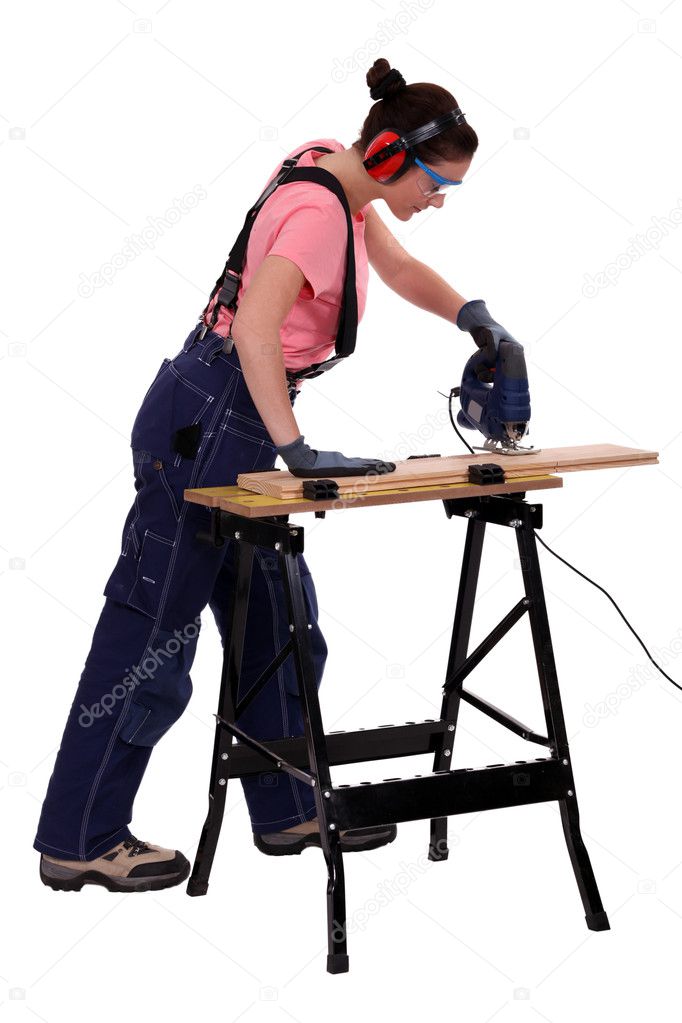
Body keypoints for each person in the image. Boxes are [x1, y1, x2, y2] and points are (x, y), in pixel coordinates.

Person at [34, 57, 519, 892]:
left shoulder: (337, 168)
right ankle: (81, 837)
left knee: (279, 620)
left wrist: (473, 318)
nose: (438, 199)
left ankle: (285, 808)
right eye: (438, 183)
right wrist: (296, 451)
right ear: (394, 159)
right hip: (215, 417)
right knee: (151, 638)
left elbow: (396, 270)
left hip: (240, 413)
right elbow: (258, 332)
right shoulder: (315, 215)